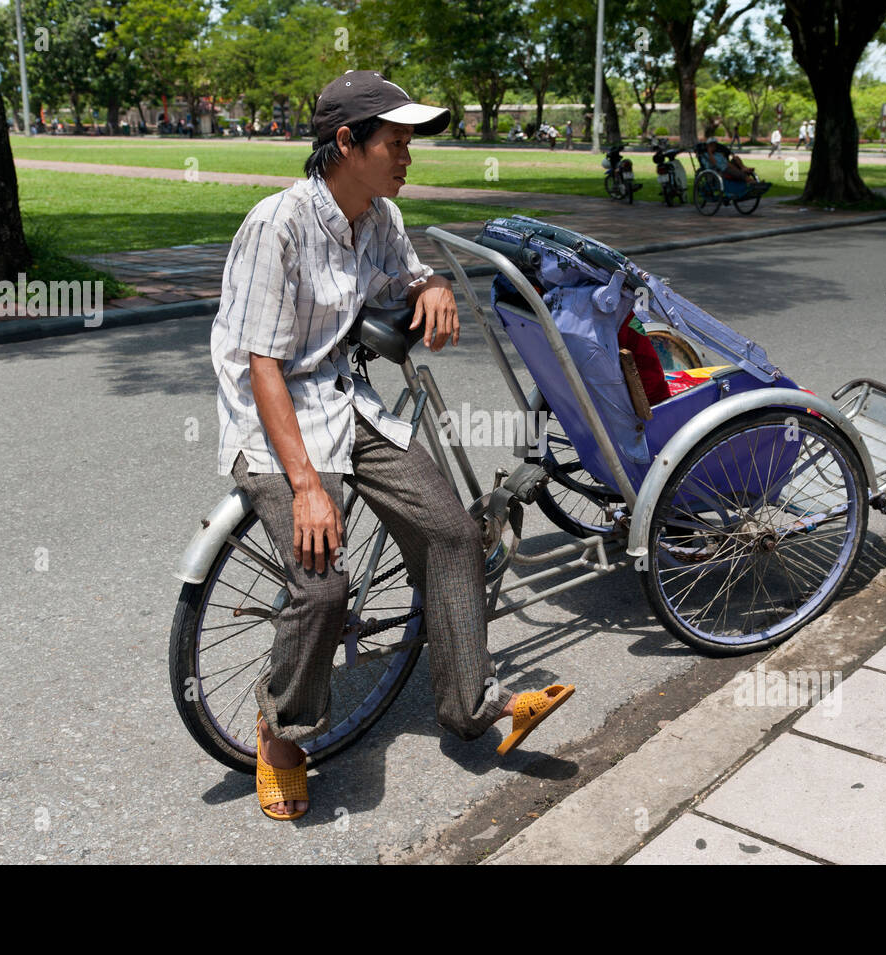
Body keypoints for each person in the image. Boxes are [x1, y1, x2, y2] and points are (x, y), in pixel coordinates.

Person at [210, 70, 576, 822]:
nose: (408, 156)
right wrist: (308, 486)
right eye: (396, 142)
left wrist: (432, 283)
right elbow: (262, 366)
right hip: (274, 418)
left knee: (451, 534)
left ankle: (472, 706)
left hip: (348, 403)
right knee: (321, 585)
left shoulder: (378, 215)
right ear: (347, 143)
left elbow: (404, 276)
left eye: (411, 142)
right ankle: (281, 734)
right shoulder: (276, 225)